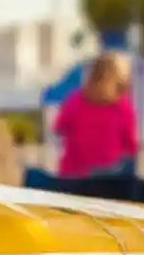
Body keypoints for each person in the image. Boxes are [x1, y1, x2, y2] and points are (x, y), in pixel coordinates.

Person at [54, 50, 138, 178]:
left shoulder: (75, 100)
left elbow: (59, 128)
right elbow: (131, 146)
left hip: (73, 177)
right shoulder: (123, 107)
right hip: (108, 179)